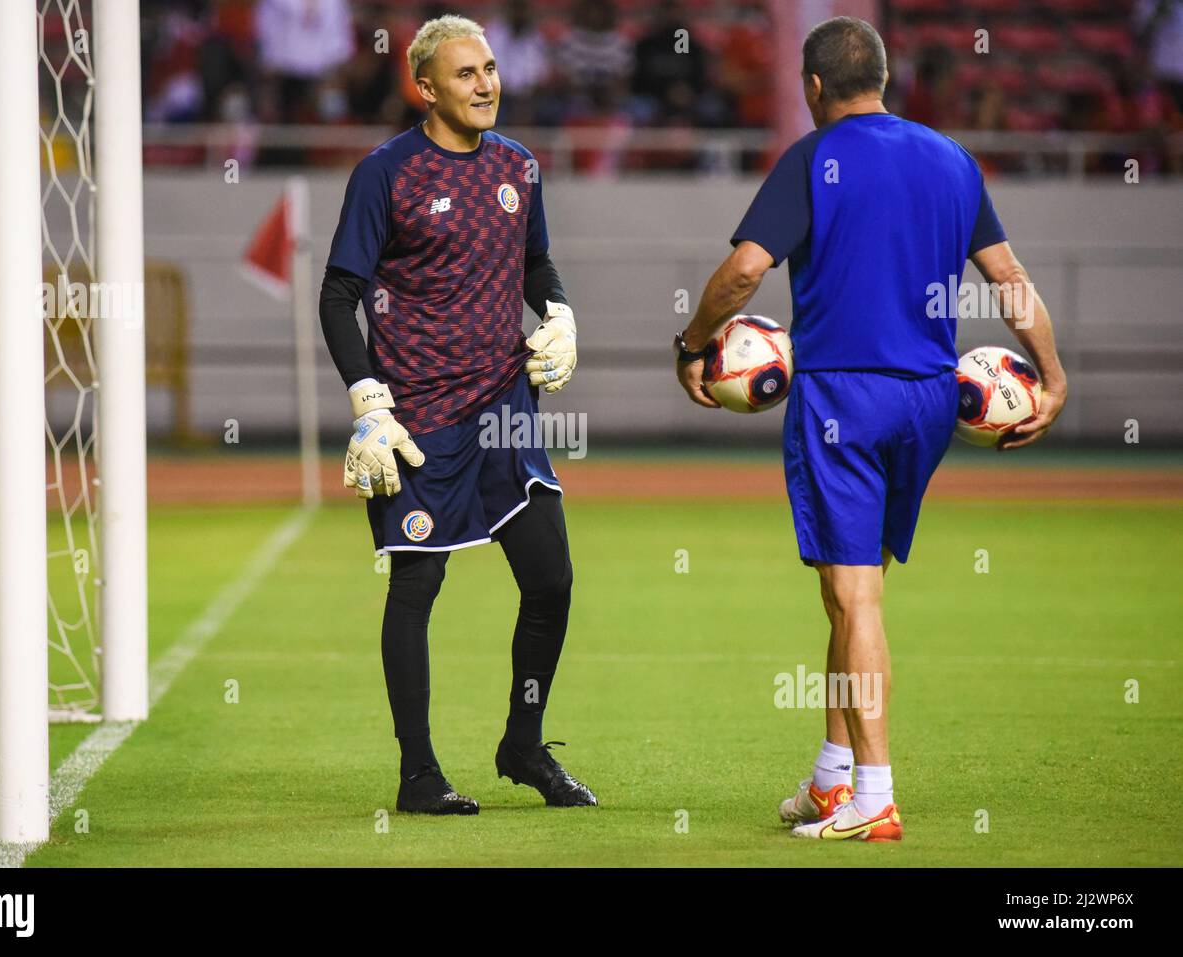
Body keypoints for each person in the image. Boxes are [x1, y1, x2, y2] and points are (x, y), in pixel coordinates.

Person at [673, 17, 1067, 841]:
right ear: (882, 78)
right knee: (851, 595)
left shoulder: (813, 158)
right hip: (928, 398)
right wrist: (1052, 373)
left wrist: (693, 341)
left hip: (843, 400)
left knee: (854, 597)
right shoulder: (952, 159)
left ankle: (875, 797)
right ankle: (832, 778)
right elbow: (1009, 277)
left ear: (812, 87)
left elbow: (746, 269)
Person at [319, 15, 597, 815]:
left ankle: (523, 741)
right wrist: (367, 399)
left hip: (506, 409)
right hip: (415, 420)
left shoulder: (520, 167)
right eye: (466, 73)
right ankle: (418, 774)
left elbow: (535, 262)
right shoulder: (386, 174)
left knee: (552, 581)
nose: (486, 84)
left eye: (491, 69)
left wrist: (560, 314)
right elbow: (340, 294)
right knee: (418, 583)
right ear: (427, 86)